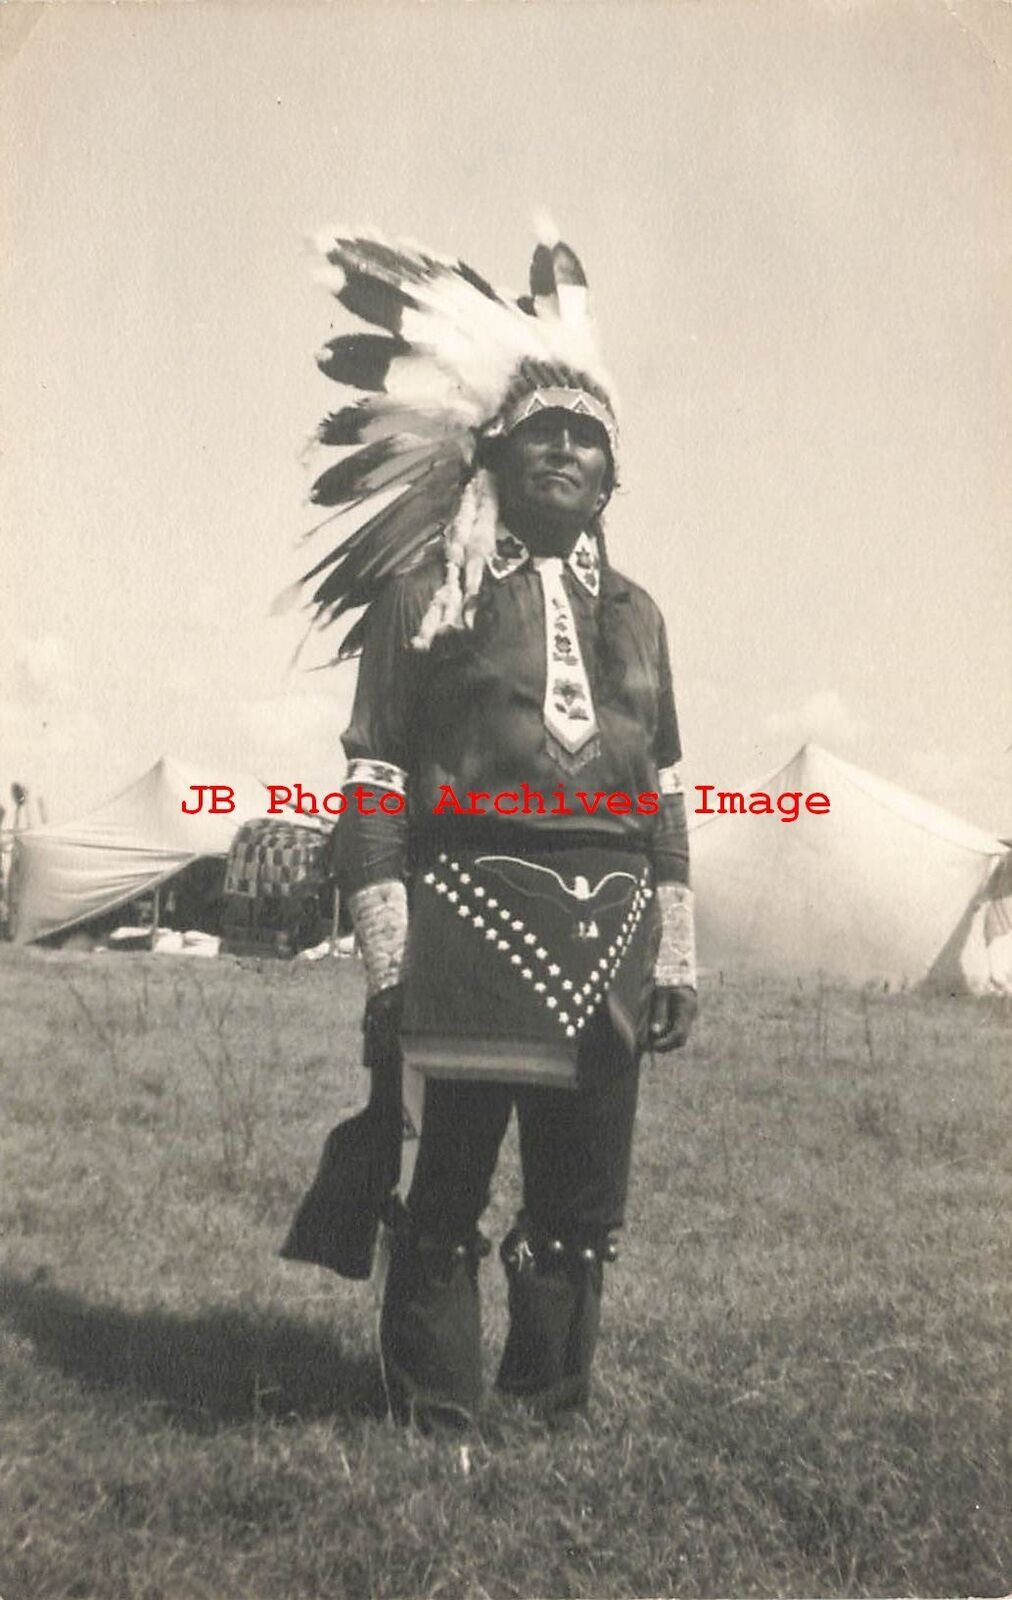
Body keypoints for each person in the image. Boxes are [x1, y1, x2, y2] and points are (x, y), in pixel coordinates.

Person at [292, 231, 697, 1423]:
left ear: (612, 475)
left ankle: (550, 1400)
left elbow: (664, 788)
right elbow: (372, 779)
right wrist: (387, 947)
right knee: (444, 1188)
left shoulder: (638, 616)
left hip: (611, 934)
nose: (567, 448)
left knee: (580, 1203)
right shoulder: (427, 593)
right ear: (493, 455)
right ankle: (435, 1411)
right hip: (465, 921)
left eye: (589, 436)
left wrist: (673, 943)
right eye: (544, 432)